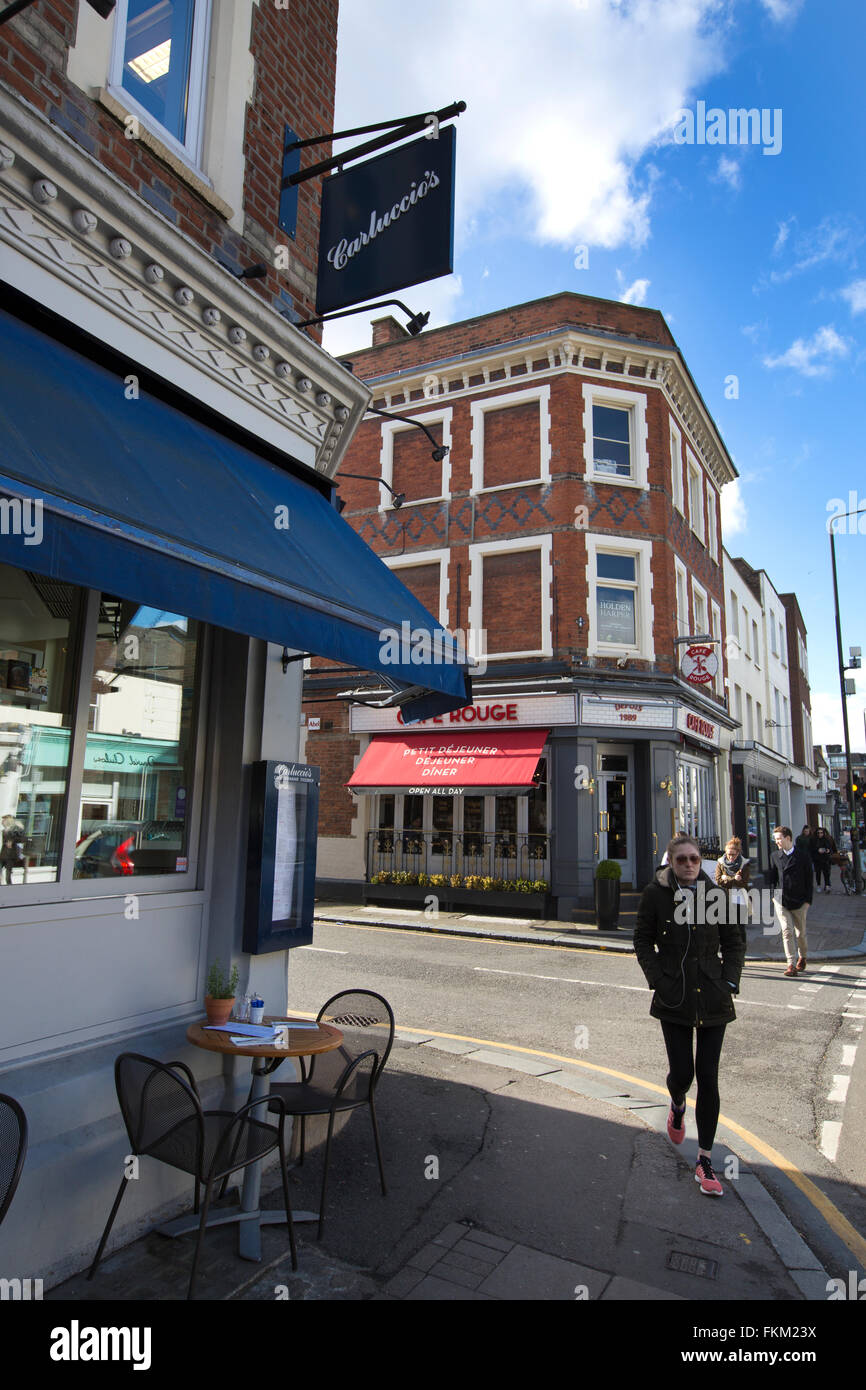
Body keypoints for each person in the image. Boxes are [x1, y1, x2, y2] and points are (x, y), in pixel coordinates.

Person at [634, 833, 746, 1198]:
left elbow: (734, 940)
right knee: (682, 1073)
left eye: (694, 859)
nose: (689, 865)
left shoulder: (717, 894)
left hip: (713, 995)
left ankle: (705, 1159)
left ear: (702, 861)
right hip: (675, 997)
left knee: (708, 1078)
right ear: (671, 862)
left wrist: (730, 979)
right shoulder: (655, 894)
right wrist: (658, 980)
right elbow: (641, 940)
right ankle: (677, 1104)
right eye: (682, 859)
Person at [768, 825, 812, 977]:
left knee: (800, 933)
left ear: (788, 838)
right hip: (781, 900)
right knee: (787, 931)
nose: (777, 842)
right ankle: (790, 964)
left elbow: (809, 880)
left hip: (800, 901)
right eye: (776, 839)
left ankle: (803, 957)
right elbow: (772, 878)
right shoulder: (775, 856)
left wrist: (808, 902)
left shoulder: (803, 856)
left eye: (779, 839)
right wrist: (774, 896)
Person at [715, 836, 751, 920]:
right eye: (728, 854)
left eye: (733, 855)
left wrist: (726, 878)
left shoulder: (744, 864)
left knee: (740, 925)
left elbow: (744, 883)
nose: (730, 857)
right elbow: (718, 881)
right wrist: (734, 879)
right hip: (724, 898)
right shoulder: (720, 863)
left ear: (738, 853)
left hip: (740, 899)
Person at [1, 815, 26, 885]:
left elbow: (23, 839)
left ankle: (9, 887)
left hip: (11, 856)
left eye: (4, 820)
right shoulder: (5, 830)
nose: (2, 821)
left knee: (8, 874)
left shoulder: (16, 830)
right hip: (4, 855)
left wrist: (12, 841)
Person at [811, 826, 836, 893]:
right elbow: (811, 849)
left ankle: (827, 885)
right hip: (817, 859)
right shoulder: (814, 840)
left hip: (825, 858)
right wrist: (817, 850)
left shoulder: (826, 839)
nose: (820, 834)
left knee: (826, 873)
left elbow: (830, 848)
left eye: (821, 833)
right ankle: (818, 885)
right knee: (818, 873)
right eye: (818, 833)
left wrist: (828, 850)